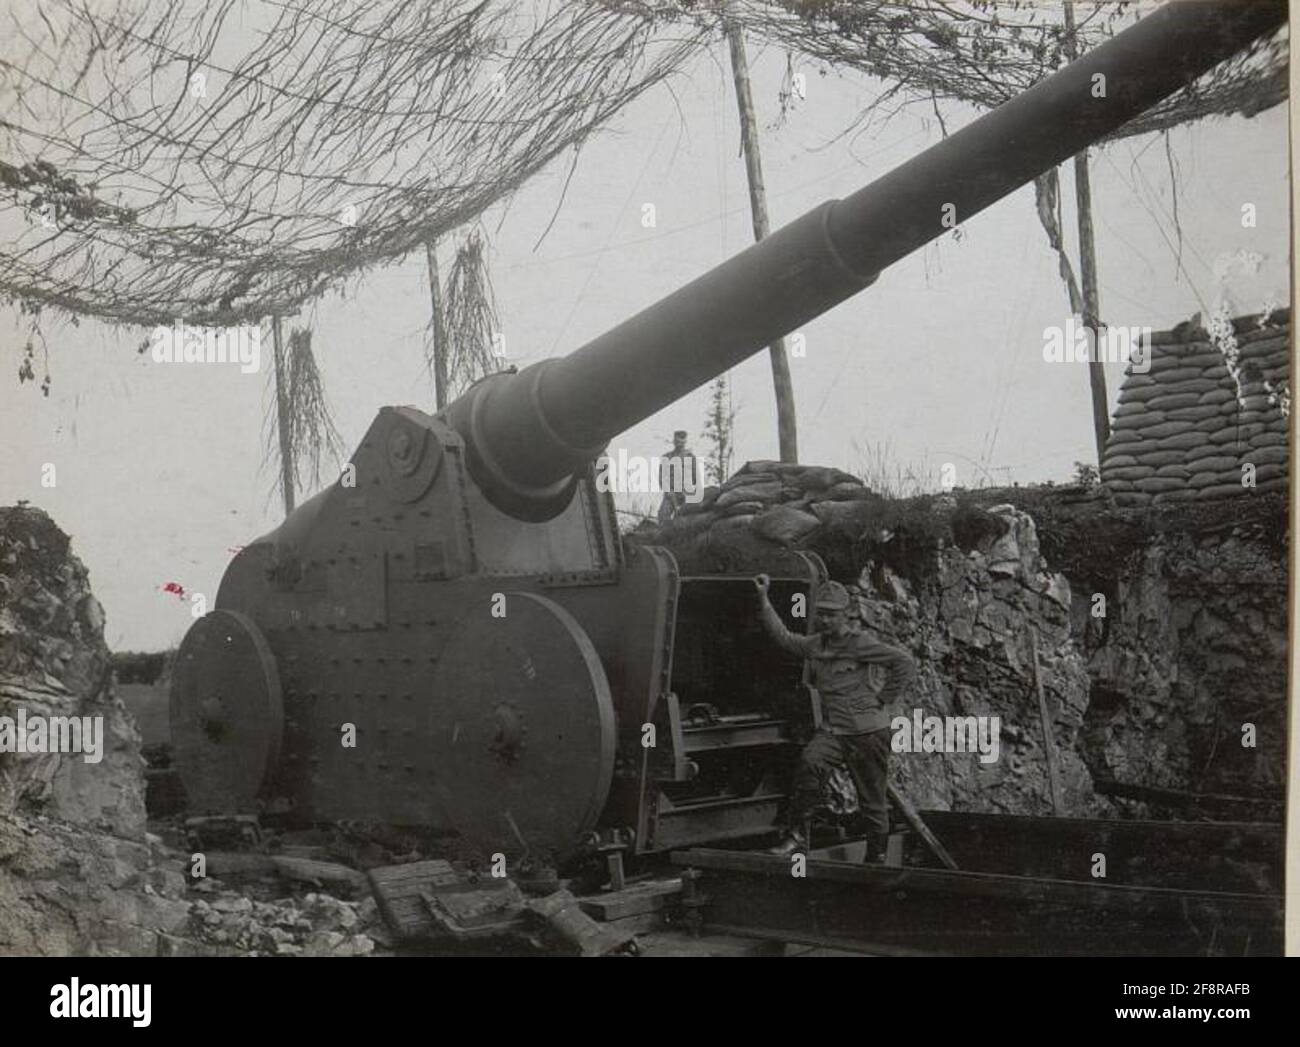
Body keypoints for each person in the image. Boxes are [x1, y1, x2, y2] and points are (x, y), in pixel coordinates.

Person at [753, 574, 916, 862]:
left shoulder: (859, 643)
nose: (825, 620)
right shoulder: (816, 645)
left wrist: (884, 699)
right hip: (835, 732)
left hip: (868, 733)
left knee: (872, 800)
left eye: (831, 615)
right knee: (809, 764)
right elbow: (785, 638)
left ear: (846, 615)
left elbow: (903, 662)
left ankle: (876, 855)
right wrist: (764, 597)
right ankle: (797, 838)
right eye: (821, 614)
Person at [656, 431, 698, 524]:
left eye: (682, 441)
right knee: (663, 515)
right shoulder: (667, 457)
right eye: (677, 440)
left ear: (685, 441)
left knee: (689, 518)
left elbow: (695, 478)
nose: (679, 443)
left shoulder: (691, 457)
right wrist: (669, 491)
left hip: (686, 492)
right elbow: (662, 478)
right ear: (674, 441)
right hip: (671, 493)